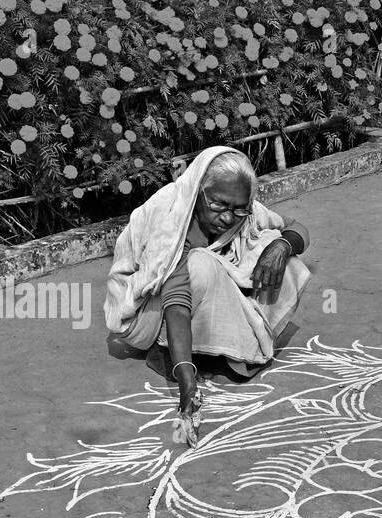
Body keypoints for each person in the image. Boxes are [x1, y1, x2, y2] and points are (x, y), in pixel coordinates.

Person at [104, 145, 311, 447]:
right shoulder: (172, 220)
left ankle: (217, 346)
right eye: (219, 206)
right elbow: (176, 302)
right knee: (200, 264)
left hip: (192, 295)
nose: (228, 218)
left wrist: (280, 248)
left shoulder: (244, 209)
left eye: (238, 209)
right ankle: (169, 353)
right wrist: (187, 381)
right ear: (200, 190)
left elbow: (297, 228)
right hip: (148, 310)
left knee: (283, 256)